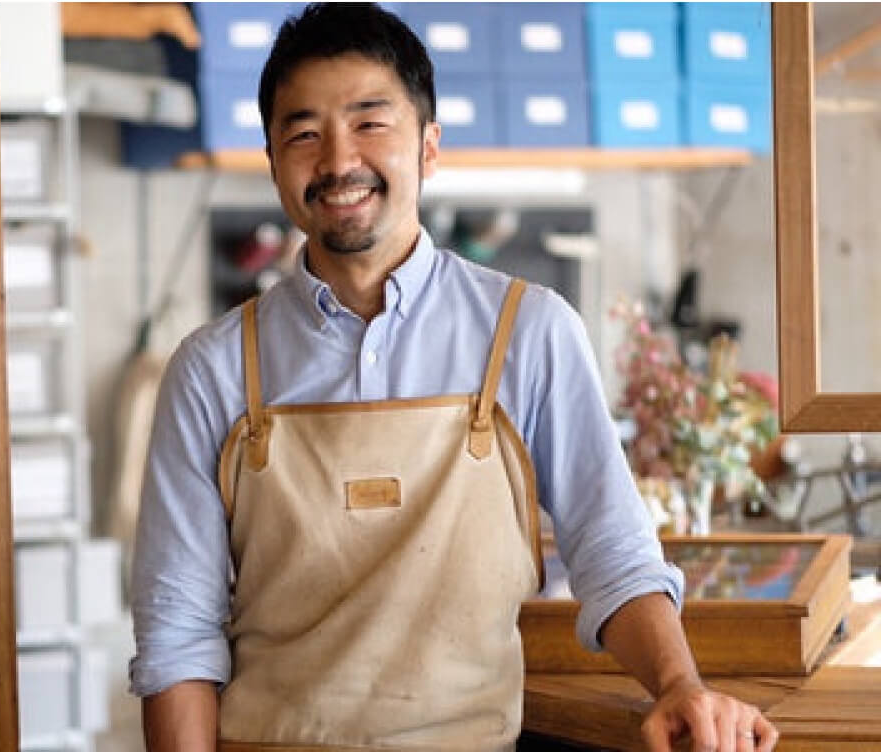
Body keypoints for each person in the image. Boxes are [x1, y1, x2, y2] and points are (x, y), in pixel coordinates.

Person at [130, 4, 779, 751]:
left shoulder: (529, 332)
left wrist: (678, 684)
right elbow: (177, 632)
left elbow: (613, 552)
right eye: (304, 132)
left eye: (371, 122)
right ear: (274, 160)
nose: (339, 160)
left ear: (429, 145)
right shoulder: (210, 369)